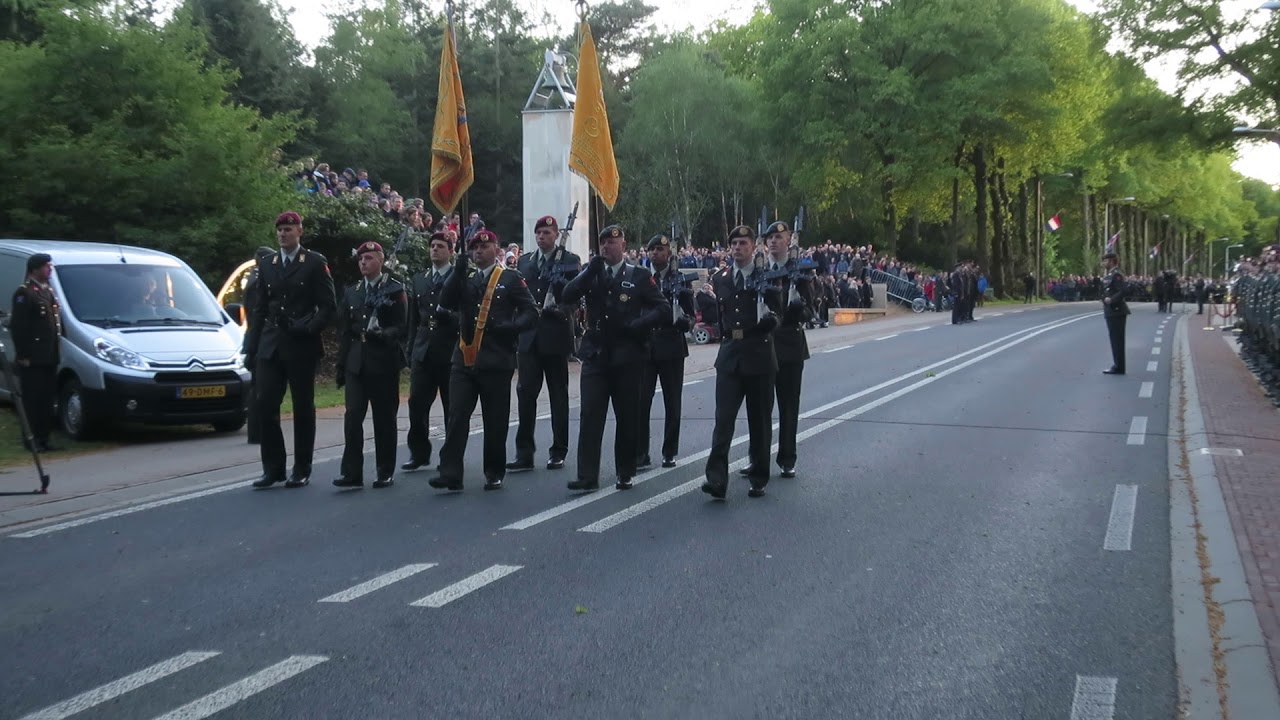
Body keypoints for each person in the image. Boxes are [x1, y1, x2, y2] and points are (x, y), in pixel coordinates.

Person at [560, 225, 668, 492]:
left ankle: (625, 470)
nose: (608, 246)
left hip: (628, 354)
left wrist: (640, 324)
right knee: (590, 415)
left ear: (624, 245)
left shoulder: (639, 275)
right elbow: (567, 296)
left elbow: (662, 308)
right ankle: (587, 475)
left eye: (613, 242)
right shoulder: (592, 272)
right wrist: (588, 273)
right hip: (596, 353)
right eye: (604, 242)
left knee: (627, 416)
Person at [429, 229, 538, 492]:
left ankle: (493, 471)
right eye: (474, 248)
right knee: (456, 416)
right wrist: (457, 271)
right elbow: (445, 302)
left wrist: (510, 328)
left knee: (495, 419)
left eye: (483, 247)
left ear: (497, 251)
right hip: (464, 358)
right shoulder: (465, 278)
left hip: (496, 359)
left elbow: (531, 312)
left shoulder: (510, 278)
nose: (478, 252)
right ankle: (450, 472)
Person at [243, 211, 337, 489]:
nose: (283, 234)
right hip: (271, 343)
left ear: (299, 231)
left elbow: (328, 306)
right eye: (280, 230)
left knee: (302, 407)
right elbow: (259, 308)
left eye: (288, 229)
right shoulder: (268, 264)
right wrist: (251, 345)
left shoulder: (314, 262)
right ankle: (273, 468)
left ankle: (301, 468)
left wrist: (308, 327)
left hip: (300, 342)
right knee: (265, 404)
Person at [702, 226, 782, 500]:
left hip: (758, 353)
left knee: (759, 421)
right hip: (730, 355)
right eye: (734, 243)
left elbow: (779, 310)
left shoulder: (767, 276)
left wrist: (772, 321)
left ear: (753, 247)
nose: (738, 248)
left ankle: (759, 477)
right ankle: (716, 480)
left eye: (743, 243)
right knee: (723, 421)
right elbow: (720, 317)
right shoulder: (721, 277)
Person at [509, 215, 581, 472]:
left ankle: (558, 450)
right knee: (525, 395)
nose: (542, 237)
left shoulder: (570, 261)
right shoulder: (526, 261)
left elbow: (574, 295)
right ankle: (524, 453)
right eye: (539, 232)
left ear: (556, 234)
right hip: (529, 338)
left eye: (547, 233)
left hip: (554, 335)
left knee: (557, 396)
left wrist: (562, 309)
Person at [334, 242, 408, 488]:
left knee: (384, 418)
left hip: (383, 361)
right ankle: (351, 472)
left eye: (368, 258)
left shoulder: (394, 289)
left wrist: (383, 333)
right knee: (353, 416)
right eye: (361, 259)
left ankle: (384, 469)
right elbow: (345, 330)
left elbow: (401, 326)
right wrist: (341, 364)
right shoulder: (353, 291)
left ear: (380, 260)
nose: (363, 262)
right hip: (356, 361)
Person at [637, 234, 696, 469]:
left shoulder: (680, 279)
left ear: (669, 253)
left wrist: (683, 320)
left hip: (671, 344)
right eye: (652, 249)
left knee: (673, 402)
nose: (655, 253)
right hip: (647, 344)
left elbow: (692, 316)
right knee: (642, 401)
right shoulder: (641, 278)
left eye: (660, 249)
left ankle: (669, 451)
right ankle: (641, 452)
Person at [402, 231, 460, 472]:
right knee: (417, 404)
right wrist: (410, 347)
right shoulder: (420, 279)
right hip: (424, 349)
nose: (435, 249)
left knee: (452, 407)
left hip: (449, 348)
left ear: (450, 251)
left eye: (440, 246)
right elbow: (414, 318)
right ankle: (419, 452)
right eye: (432, 246)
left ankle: (450, 455)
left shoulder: (459, 278)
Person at [10, 253, 63, 452]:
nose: (50, 269)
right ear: (35, 269)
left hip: (48, 356)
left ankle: (43, 438)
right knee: (32, 400)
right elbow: (19, 327)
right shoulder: (25, 293)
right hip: (32, 358)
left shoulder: (47, 291)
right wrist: (23, 355)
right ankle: (31, 440)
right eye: (46, 266)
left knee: (47, 399)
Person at [243, 245, 278, 445]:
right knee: (259, 387)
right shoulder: (257, 282)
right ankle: (256, 432)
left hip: (258, 336)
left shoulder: (253, 278)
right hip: (261, 337)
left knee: (259, 386)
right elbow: (257, 314)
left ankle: (256, 430)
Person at [1101, 252, 1130, 375]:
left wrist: (1111, 299)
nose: (1103, 263)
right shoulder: (1110, 274)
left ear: (1112, 261)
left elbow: (1124, 290)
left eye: (1105, 261)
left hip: (1117, 310)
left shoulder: (1117, 274)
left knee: (1117, 340)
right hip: (1111, 311)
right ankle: (1118, 365)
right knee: (1114, 339)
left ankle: (1119, 367)